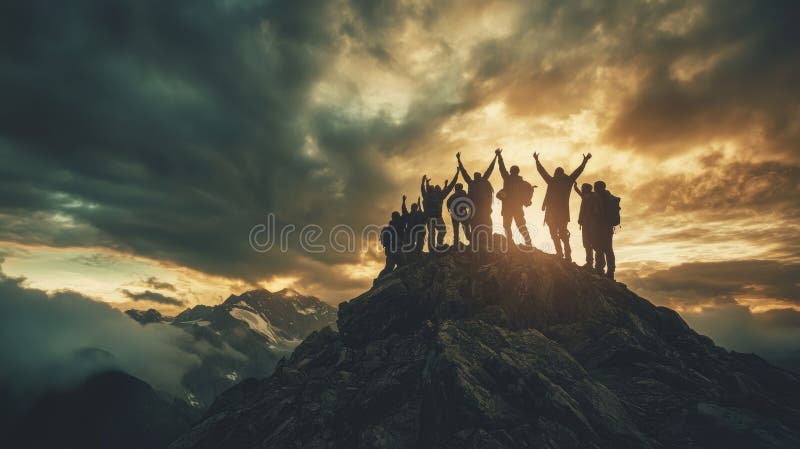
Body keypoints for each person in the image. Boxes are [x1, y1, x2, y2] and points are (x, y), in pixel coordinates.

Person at [534, 152, 591, 262]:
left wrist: (537, 160)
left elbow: (542, 172)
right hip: (560, 214)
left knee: (556, 235)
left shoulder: (553, 181)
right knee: (562, 235)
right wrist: (585, 161)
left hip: (552, 214)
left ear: (556, 173)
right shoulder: (567, 181)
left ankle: (562, 254)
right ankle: (565, 255)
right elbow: (578, 171)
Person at [456, 151, 497, 250]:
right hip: (475, 209)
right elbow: (464, 173)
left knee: (486, 225)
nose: (476, 176)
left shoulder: (480, 181)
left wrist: (496, 156)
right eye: (475, 175)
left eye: (477, 175)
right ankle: (475, 244)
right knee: (476, 225)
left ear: (479, 176)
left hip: (483, 209)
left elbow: (490, 169)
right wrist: (459, 160)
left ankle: (488, 243)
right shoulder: (472, 183)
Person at [496, 149, 534, 248]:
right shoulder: (524, 183)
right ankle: (528, 242)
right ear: (518, 172)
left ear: (511, 171)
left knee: (507, 226)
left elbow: (501, 168)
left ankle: (510, 242)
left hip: (507, 208)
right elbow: (530, 191)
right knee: (521, 226)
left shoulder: (507, 179)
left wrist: (499, 155)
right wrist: (527, 201)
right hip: (517, 208)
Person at [421, 170, 458, 251]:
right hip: (435, 218)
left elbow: (423, 189)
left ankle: (435, 247)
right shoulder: (438, 196)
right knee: (438, 232)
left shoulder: (427, 196)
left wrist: (424, 181)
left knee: (434, 233)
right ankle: (438, 246)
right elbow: (451, 186)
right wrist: (457, 174)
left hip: (432, 218)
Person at [591, 180, 620, 280]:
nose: (594, 189)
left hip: (600, 226)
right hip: (608, 227)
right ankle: (610, 272)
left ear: (598, 187)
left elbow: (596, 213)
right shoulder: (610, 197)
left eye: (595, 187)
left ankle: (599, 269)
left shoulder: (599, 197)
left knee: (600, 248)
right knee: (608, 249)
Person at [573, 182, 595, 268]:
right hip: (590, 224)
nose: (582, 190)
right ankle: (591, 263)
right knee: (589, 244)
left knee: (587, 243)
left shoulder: (587, 197)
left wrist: (575, 188)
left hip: (588, 224)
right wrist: (576, 188)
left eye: (583, 188)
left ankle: (590, 263)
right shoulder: (591, 197)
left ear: (586, 189)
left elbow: (581, 194)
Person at [378, 210, 405, 277]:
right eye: (397, 217)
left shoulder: (393, 227)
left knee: (390, 268)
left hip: (392, 251)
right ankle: (379, 280)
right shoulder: (394, 228)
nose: (398, 218)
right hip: (394, 251)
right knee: (390, 268)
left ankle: (379, 280)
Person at [446, 182, 471, 247]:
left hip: (454, 214)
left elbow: (448, 204)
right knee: (466, 228)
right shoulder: (464, 194)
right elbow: (468, 203)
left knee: (456, 230)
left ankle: (456, 245)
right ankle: (471, 241)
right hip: (463, 213)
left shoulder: (452, 196)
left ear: (456, 188)